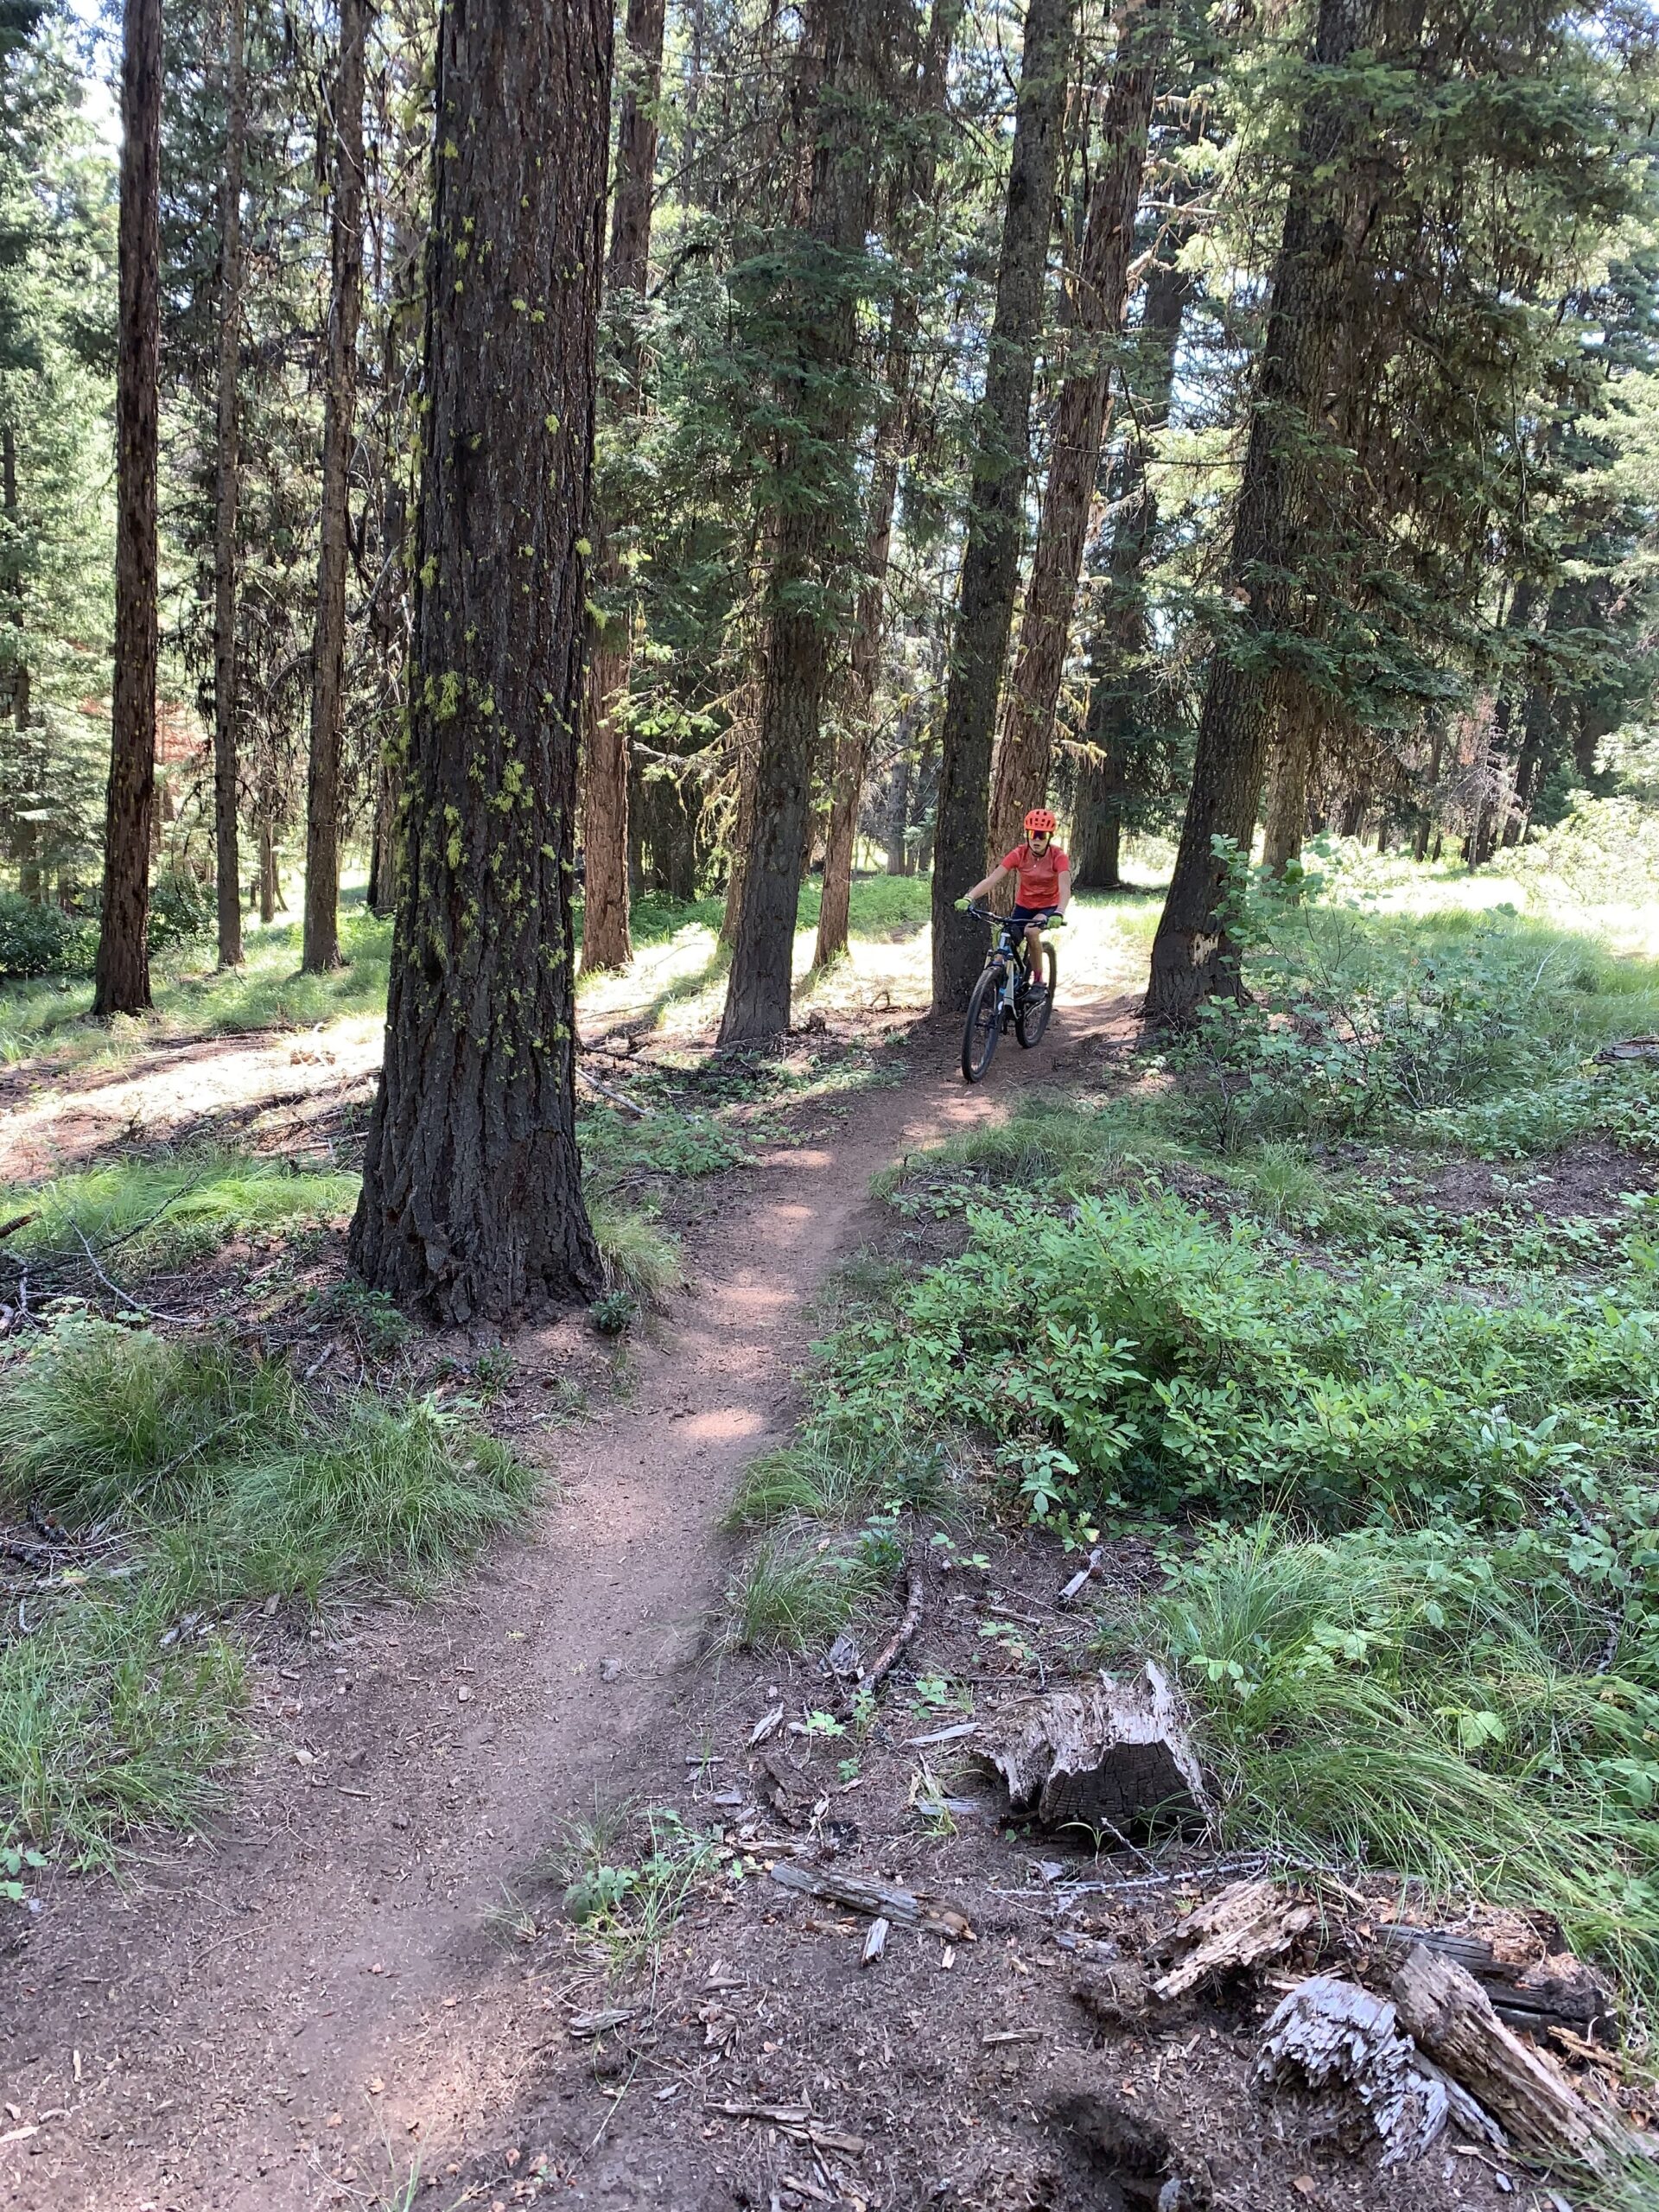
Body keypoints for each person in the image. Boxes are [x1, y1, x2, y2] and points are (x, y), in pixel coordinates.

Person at [961, 808, 1071, 1001]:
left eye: (1042, 835)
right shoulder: (1019, 853)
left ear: (1049, 837)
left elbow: (1065, 887)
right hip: (1024, 906)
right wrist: (969, 897)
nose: (1036, 840)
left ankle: (1038, 982)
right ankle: (1001, 988)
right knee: (1004, 941)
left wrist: (1059, 912)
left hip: (1048, 907)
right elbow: (992, 879)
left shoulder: (1058, 856)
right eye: (1032, 834)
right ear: (1027, 835)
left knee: (1031, 931)